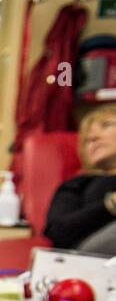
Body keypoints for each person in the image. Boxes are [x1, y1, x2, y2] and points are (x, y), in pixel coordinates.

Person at [44, 103, 116, 253]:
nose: (93, 137)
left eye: (106, 125)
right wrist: (108, 206)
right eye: (87, 139)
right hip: (91, 257)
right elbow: (58, 231)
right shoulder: (78, 185)